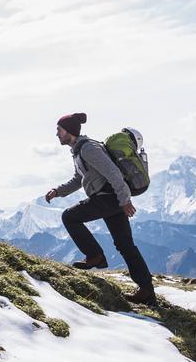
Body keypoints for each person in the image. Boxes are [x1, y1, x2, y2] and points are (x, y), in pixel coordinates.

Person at [45, 112, 155, 304]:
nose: (57, 134)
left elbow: (113, 173)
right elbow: (79, 179)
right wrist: (58, 191)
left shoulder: (88, 149)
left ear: (69, 131)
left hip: (109, 198)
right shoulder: (79, 151)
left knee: (70, 217)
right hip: (111, 199)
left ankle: (95, 256)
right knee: (125, 245)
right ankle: (147, 291)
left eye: (59, 130)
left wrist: (124, 200)